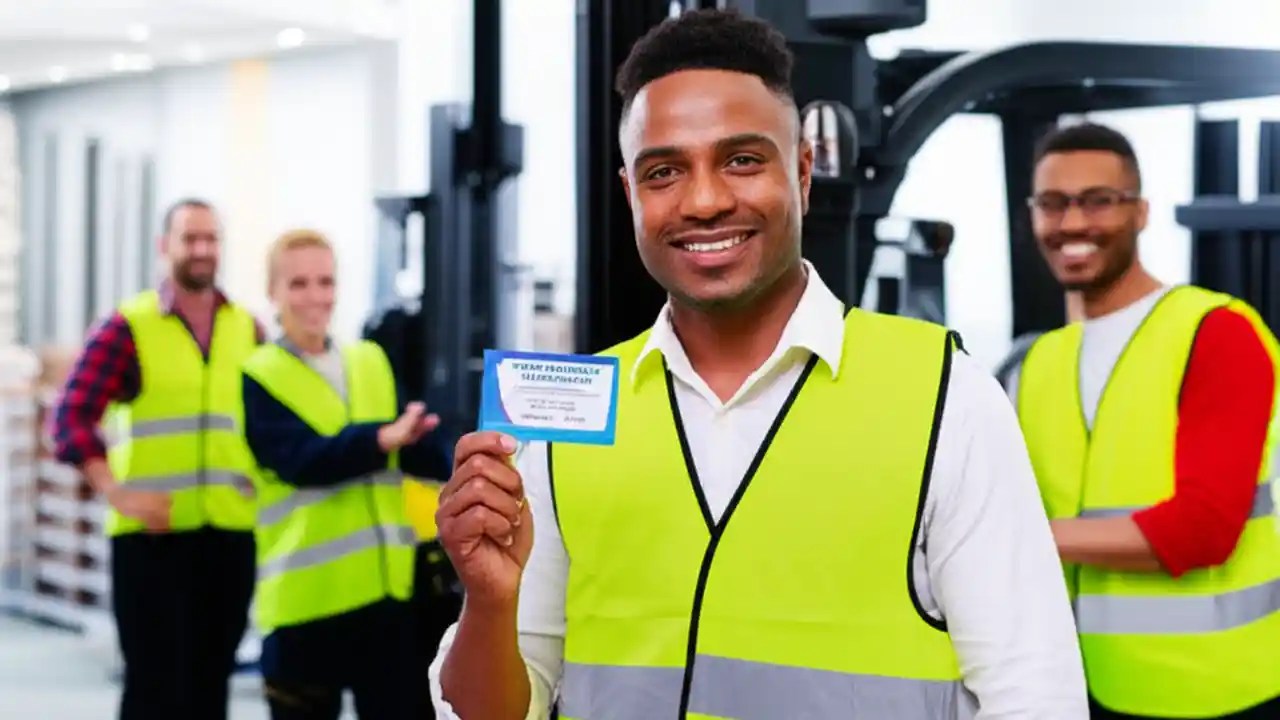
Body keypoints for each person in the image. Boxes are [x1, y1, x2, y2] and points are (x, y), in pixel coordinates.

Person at [427, 9, 1087, 719]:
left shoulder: (943, 397)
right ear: (630, 196)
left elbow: (1034, 697)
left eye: (741, 160)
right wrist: (489, 605)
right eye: (664, 171)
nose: (705, 200)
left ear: (802, 172)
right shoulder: (571, 426)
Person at [1015, 122, 1280, 719]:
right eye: (1053, 204)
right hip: (1080, 688)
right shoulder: (1042, 362)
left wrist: (1019, 540)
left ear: (1140, 212)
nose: (1074, 224)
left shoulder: (1216, 333)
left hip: (1216, 695)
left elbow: (1204, 528)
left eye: (1099, 201)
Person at [50, 198, 262, 720]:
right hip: (152, 543)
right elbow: (70, 418)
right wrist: (115, 491)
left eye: (211, 238)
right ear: (164, 247)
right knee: (153, 692)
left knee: (211, 688)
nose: (202, 249)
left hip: (229, 537)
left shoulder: (248, 329)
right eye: (190, 238)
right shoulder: (128, 327)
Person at [240, 229, 453, 720]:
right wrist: (383, 438)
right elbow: (302, 460)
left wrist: (440, 446)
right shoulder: (259, 374)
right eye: (298, 284)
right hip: (304, 606)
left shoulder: (369, 359)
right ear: (272, 291)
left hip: (385, 596)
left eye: (325, 281)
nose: (316, 297)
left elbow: (411, 449)